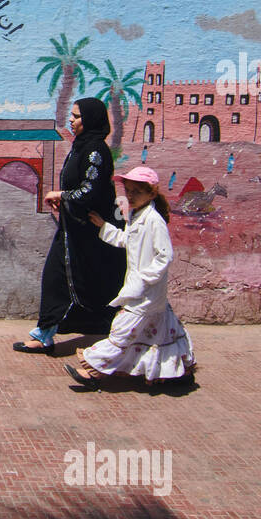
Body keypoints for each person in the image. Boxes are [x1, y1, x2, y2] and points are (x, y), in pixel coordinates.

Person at [65, 166, 197, 388]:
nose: (131, 196)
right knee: (160, 332)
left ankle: (94, 369)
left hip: (145, 290)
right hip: (143, 290)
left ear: (152, 193)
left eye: (137, 191)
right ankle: (179, 371)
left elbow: (165, 256)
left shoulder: (154, 221)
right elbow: (129, 242)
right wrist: (104, 227)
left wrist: (144, 279)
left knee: (123, 330)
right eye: (129, 190)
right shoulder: (137, 217)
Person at [13, 98, 126, 354]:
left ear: (89, 119)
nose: (71, 121)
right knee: (56, 278)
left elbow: (90, 190)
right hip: (74, 230)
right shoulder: (83, 147)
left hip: (91, 234)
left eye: (76, 117)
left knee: (92, 282)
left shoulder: (96, 150)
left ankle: (122, 335)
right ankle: (45, 334)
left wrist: (62, 195)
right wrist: (63, 199)